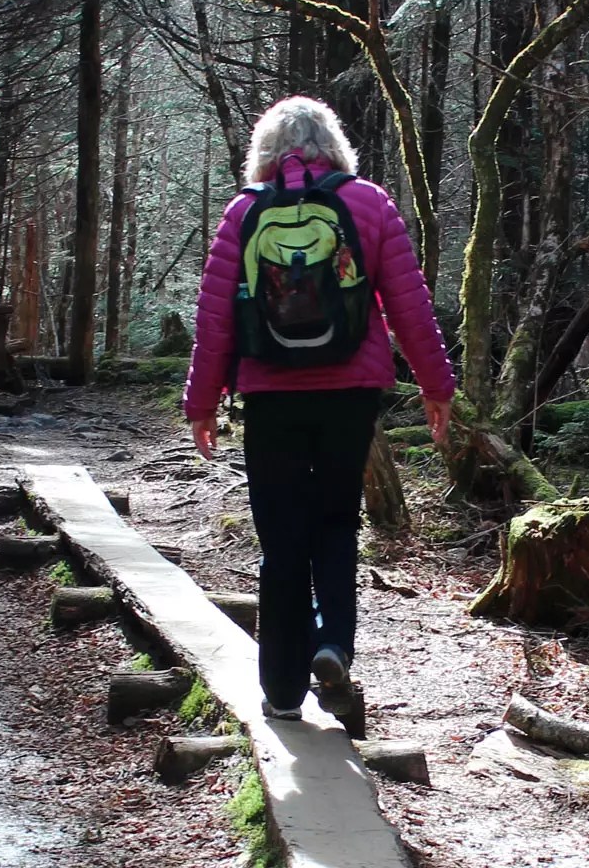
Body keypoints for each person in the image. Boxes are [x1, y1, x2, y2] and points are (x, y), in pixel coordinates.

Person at [182, 97, 455, 721]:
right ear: (334, 145)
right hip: (350, 394)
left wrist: (202, 403)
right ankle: (333, 644)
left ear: (266, 153)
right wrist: (437, 385)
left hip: (270, 394)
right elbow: (410, 305)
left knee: (281, 542)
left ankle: (281, 692)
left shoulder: (245, 212)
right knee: (335, 523)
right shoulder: (368, 203)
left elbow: (215, 320)